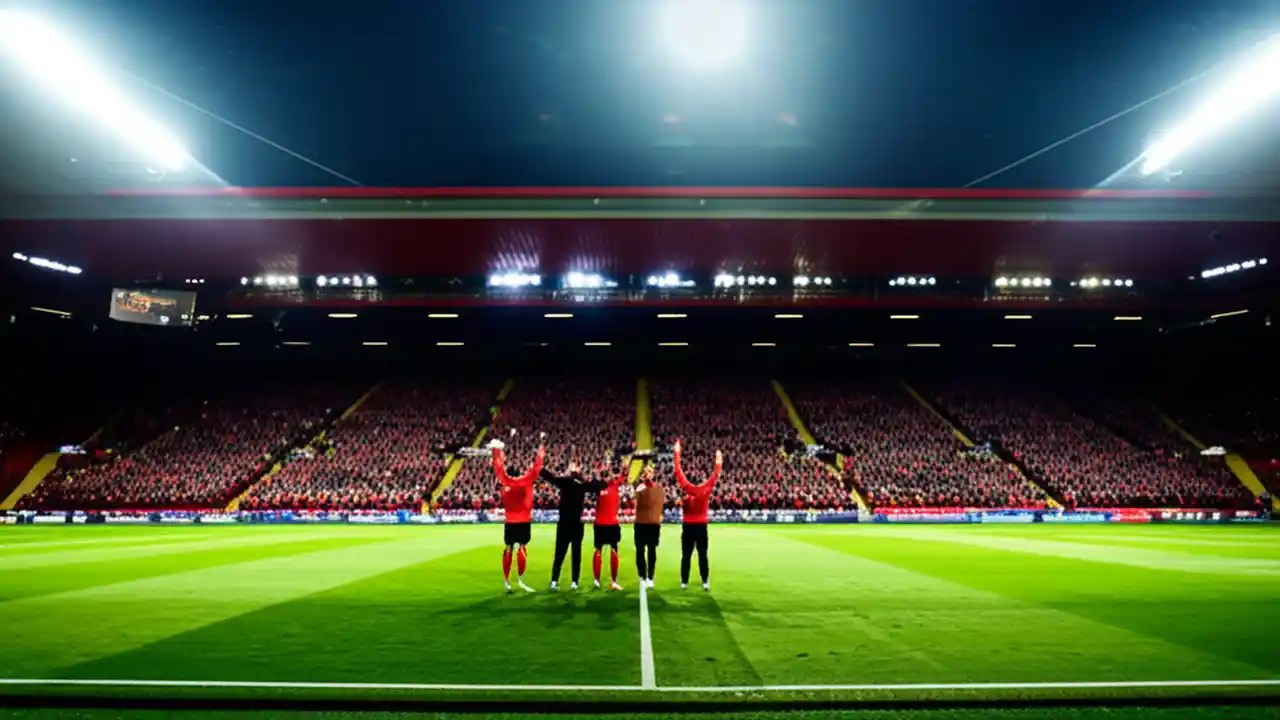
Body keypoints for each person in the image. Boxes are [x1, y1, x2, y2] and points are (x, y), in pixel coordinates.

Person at [542, 456, 608, 590]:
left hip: (565, 523)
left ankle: (555, 580)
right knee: (575, 553)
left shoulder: (566, 482)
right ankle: (574, 582)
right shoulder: (582, 484)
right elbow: (600, 485)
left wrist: (539, 469)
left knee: (560, 553)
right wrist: (600, 474)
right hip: (577, 524)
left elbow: (551, 478)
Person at [494, 439, 545, 593]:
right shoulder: (525, 482)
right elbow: (536, 469)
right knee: (522, 547)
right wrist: (541, 451)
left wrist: (496, 451)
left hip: (509, 522)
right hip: (523, 521)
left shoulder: (505, 482)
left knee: (508, 548)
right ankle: (521, 579)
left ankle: (507, 580)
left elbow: (498, 468)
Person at [673, 438, 721, 591]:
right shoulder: (705, 490)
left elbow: (678, 471)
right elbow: (715, 476)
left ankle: (684, 582)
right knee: (702, 554)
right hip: (701, 526)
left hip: (688, 526)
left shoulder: (686, 489)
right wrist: (718, 461)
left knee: (686, 555)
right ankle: (705, 581)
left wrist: (677, 453)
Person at [592, 453, 629, 591]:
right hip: (612, 524)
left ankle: (596, 580)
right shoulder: (614, 485)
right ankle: (613, 581)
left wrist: (605, 466)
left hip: (600, 524)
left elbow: (595, 479)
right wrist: (625, 465)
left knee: (598, 550)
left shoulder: (598, 487)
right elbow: (624, 475)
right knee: (613, 550)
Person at [633, 462, 665, 589]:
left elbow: (660, 504)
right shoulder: (640, 488)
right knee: (640, 551)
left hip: (652, 524)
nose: (647, 474)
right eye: (645, 472)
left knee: (651, 551)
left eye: (649, 472)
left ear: (653, 474)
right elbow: (634, 498)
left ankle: (650, 577)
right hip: (642, 523)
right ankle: (642, 576)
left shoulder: (658, 489)